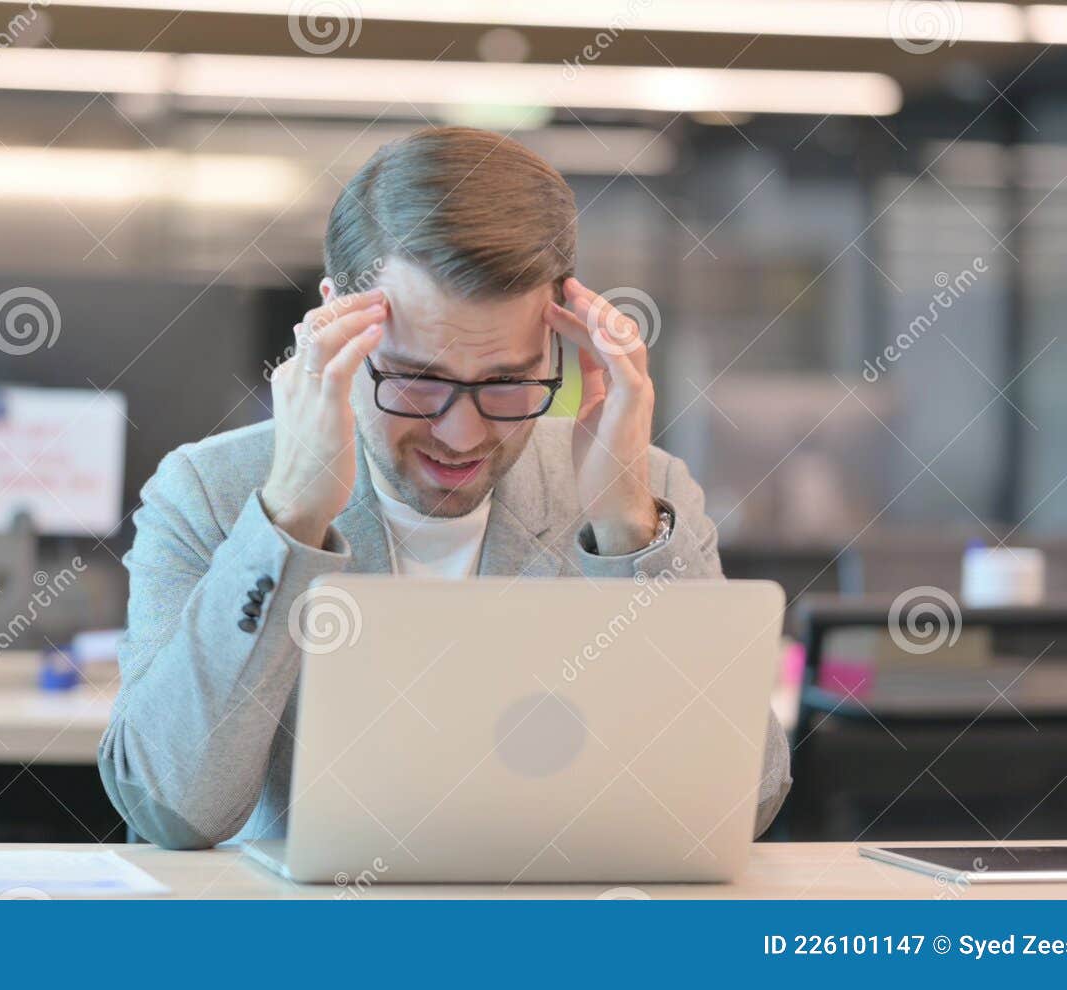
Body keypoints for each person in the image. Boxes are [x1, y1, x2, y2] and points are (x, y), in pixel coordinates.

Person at [99, 126, 791, 849]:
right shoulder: (211, 492)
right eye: (416, 379)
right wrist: (291, 518)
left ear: (560, 344)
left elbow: (747, 800)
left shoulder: (645, 492)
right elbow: (172, 810)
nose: (461, 435)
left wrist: (626, 532)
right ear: (330, 325)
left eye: (507, 380)